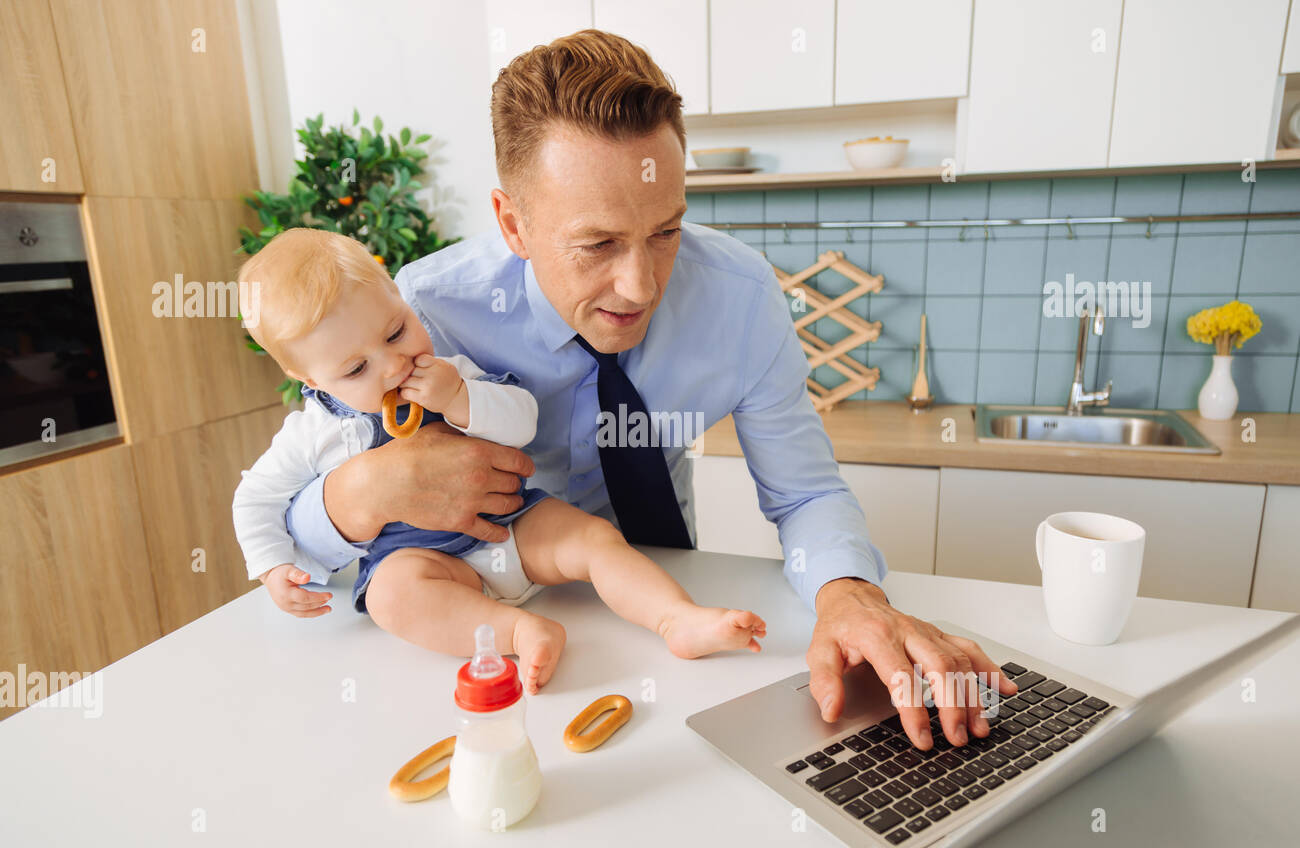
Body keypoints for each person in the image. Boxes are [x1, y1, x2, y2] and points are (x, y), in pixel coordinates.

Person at [279, 29, 1017, 749]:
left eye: (665, 232)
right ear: (513, 223)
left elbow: (805, 493)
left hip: (668, 615)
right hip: (488, 638)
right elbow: (304, 536)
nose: (639, 287)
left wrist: (850, 594)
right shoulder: (425, 314)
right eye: (597, 244)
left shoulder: (739, 299)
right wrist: (361, 493)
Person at [232, 228, 766, 693]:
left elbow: (522, 423)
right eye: (355, 369)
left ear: (398, 297)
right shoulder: (311, 434)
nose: (395, 364)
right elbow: (255, 498)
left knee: (595, 538)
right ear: (312, 381)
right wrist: (273, 565)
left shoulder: (447, 370)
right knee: (391, 598)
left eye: (396, 331)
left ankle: (678, 619)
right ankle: (516, 633)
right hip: (432, 567)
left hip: (516, 526)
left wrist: (460, 399)